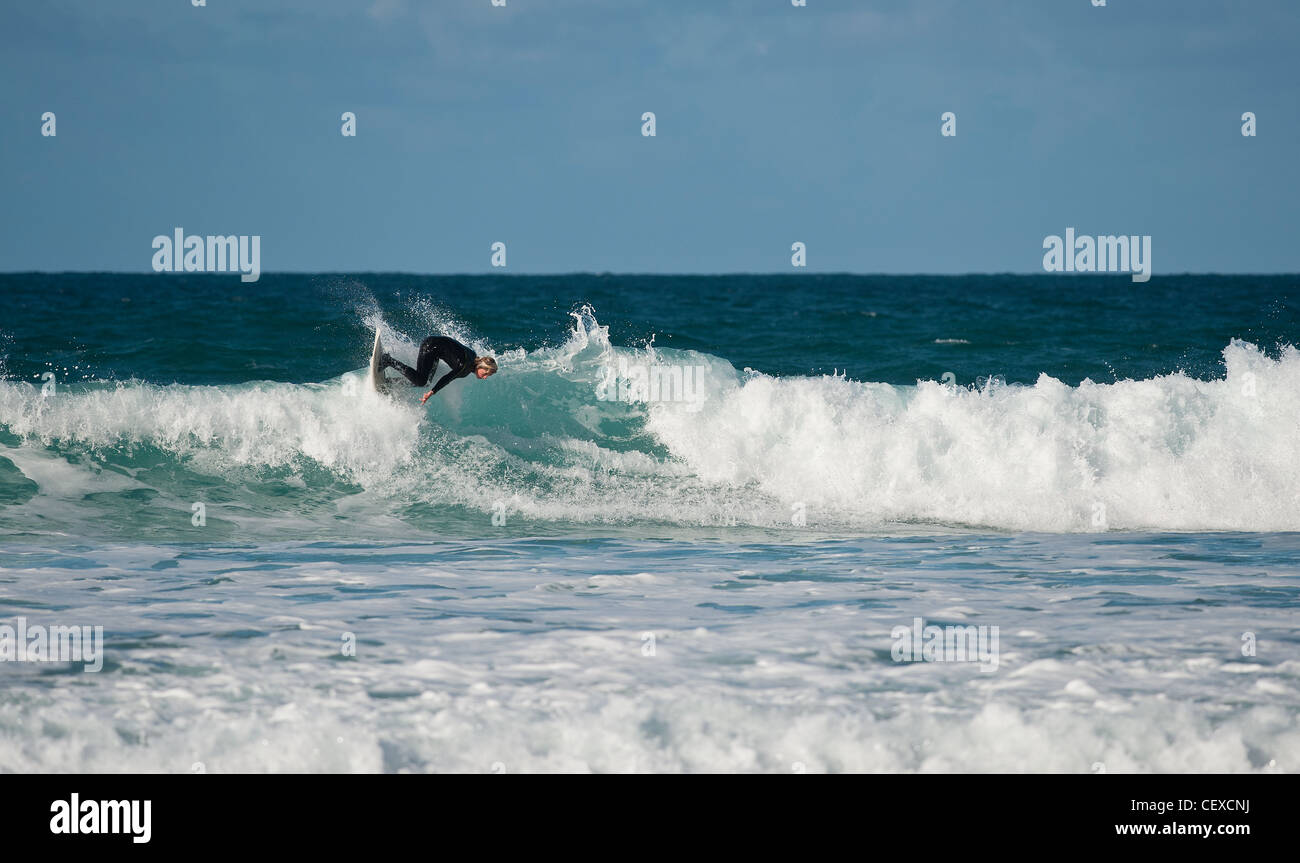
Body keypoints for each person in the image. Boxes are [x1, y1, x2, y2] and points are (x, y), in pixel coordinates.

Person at [382, 336, 497, 403]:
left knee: (425, 383)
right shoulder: (464, 367)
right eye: (486, 373)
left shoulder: (472, 358)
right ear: (481, 366)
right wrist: (433, 392)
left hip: (435, 350)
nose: (485, 377)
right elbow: (447, 378)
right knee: (421, 381)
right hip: (431, 346)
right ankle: (388, 360)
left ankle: (390, 382)